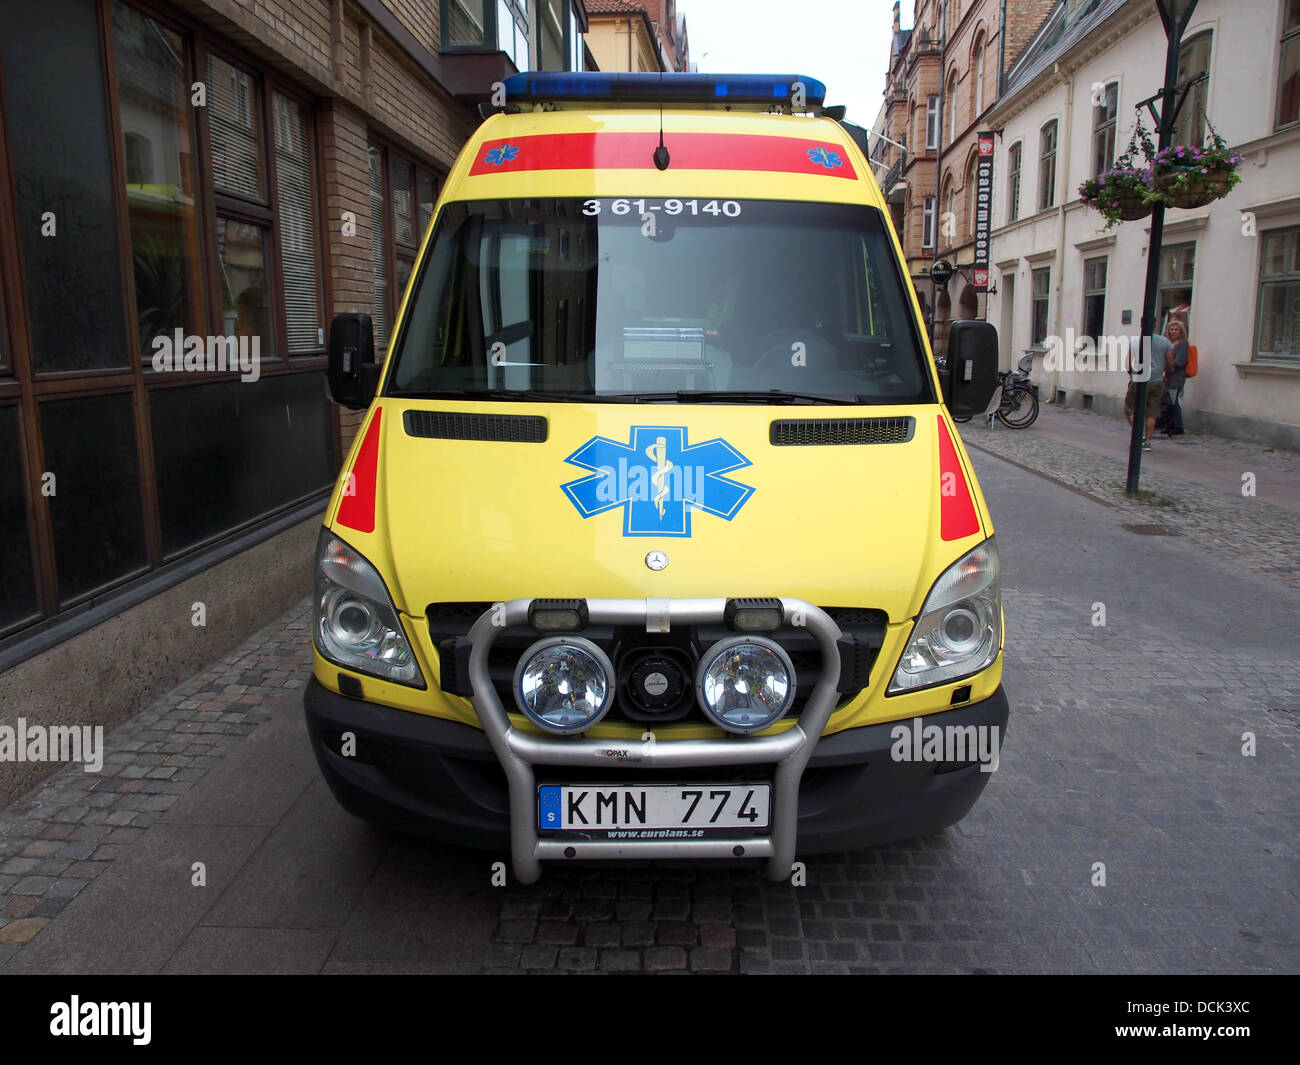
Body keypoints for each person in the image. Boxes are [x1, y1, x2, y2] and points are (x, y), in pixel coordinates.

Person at [1126, 332, 1172, 451]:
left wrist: (1132, 374)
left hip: (1139, 379)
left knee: (1130, 408)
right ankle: (1147, 442)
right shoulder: (1165, 342)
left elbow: (1129, 364)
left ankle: (1139, 436)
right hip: (1156, 381)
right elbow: (1170, 363)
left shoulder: (1135, 340)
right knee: (1152, 411)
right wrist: (1166, 374)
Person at [1161, 317, 1191, 438]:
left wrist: (1169, 366)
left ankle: (1178, 426)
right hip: (1169, 376)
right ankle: (1170, 425)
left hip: (1176, 377)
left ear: (1181, 331)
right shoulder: (1169, 344)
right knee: (1169, 401)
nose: (1173, 331)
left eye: (1176, 330)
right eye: (1171, 329)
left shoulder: (1182, 343)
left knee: (1173, 401)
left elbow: (1181, 361)